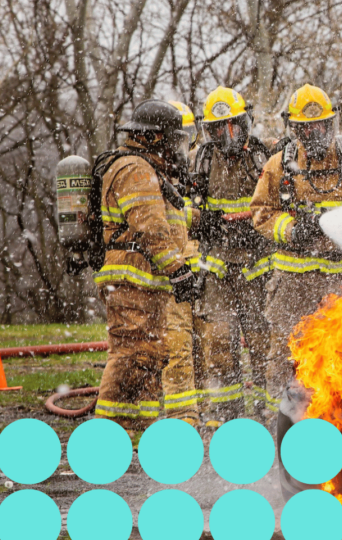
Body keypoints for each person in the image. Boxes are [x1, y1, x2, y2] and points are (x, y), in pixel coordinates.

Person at [250, 83, 342, 435]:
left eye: (319, 125)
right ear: (294, 129)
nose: (313, 133)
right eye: (305, 128)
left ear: (331, 124)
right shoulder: (279, 165)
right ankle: (276, 429)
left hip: (340, 284)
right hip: (292, 283)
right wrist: (292, 230)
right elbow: (261, 212)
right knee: (282, 357)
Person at [93, 99, 199, 438]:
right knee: (129, 353)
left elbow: (165, 222)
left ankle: (137, 430)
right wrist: (178, 269)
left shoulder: (145, 169)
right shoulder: (135, 169)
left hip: (143, 281)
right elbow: (150, 226)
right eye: (171, 139)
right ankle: (107, 434)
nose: (175, 148)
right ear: (154, 139)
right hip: (130, 279)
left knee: (150, 354)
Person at [190, 86, 274, 427]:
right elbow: (184, 208)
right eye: (220, 128)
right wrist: (204, 222)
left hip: (256, 267)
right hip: (217, 270)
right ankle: (228, 417)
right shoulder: (202, 158)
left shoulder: (261, 156)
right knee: (220, 344)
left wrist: (255, 225)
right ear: (209, 131)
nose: (228, 135)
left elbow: (275, 204)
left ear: (245, 123)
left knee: (261, 341)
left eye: (234, 126)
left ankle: (269, 412)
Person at [158, 101, 204, 427]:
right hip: (172, 273)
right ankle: (181, 419)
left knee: (206, 348)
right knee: (178, 349)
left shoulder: (198, 165)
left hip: (200, 271)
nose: (182, 145)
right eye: (178, 137)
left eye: (188, 136)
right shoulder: (151, 172)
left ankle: (200, 412)